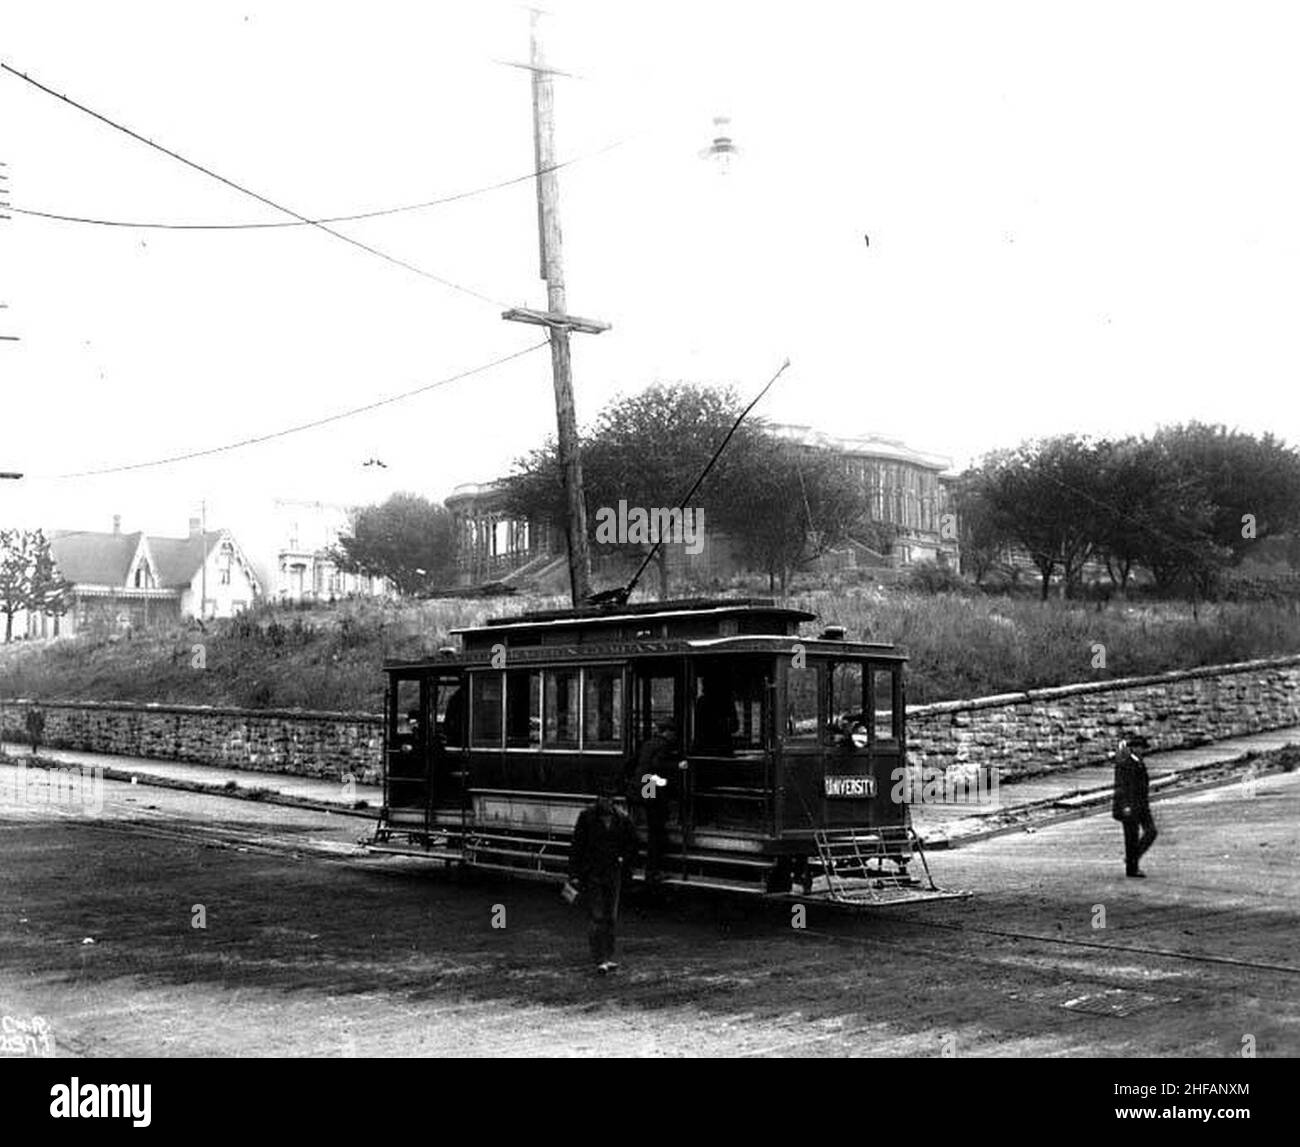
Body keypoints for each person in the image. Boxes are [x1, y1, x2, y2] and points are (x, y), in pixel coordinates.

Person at [568, 783, 639, 974]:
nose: (609, 803)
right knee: (597, 916)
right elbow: (577, 846)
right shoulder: (588, 817)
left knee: (610, 917)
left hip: (612, 872)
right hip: (593, 873)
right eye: (605, 799)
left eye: (611, 800)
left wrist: (624, 860)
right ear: (598, 799)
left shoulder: (621, 819)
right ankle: (599, 958)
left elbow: (632, 843)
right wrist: (574, 874)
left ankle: (607, 956)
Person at [627, 719, 680, 883]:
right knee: (655, 830)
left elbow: (632, 763)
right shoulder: (663, 745)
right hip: (651, 789)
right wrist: (679, 765)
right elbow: (658, 766)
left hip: (642, 789)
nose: (675, 736)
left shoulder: (648, 743)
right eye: (674, 733)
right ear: (668, 732)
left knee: (651, 826)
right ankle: (653, 871)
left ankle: (645, 868)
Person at [1112, 738, 1158, 877]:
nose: (1143, 751)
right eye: (1140, 748)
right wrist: (1125, 806)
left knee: (1151, 831)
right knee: (1131, 838)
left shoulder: (1139, 763)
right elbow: (1121, 787)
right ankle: (1132, 869)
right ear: (1134, 748)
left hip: (1142, 805)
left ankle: (1132, 858)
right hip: (1129, 806)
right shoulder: (1125, 764)